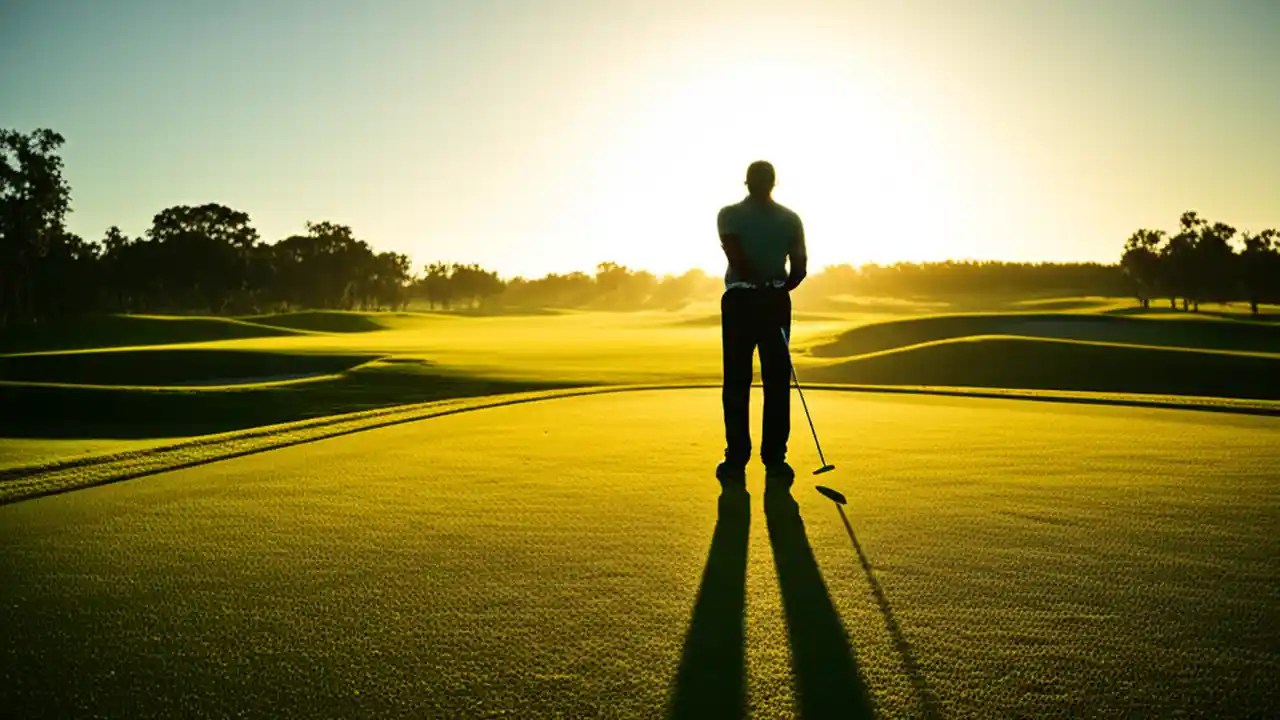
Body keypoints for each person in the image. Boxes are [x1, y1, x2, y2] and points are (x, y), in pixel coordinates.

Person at [716, 160, 807, 486]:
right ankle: (775, 459)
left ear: (747, 183)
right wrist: (777, 287)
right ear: (773, 183)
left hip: (740, 303)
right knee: (776, 381)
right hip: (775, 303)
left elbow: (737, 258)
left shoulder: (728, 215)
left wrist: (760, 285)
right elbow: (799, 269)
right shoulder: (790, 219)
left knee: (737, 382)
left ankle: (736, 459)